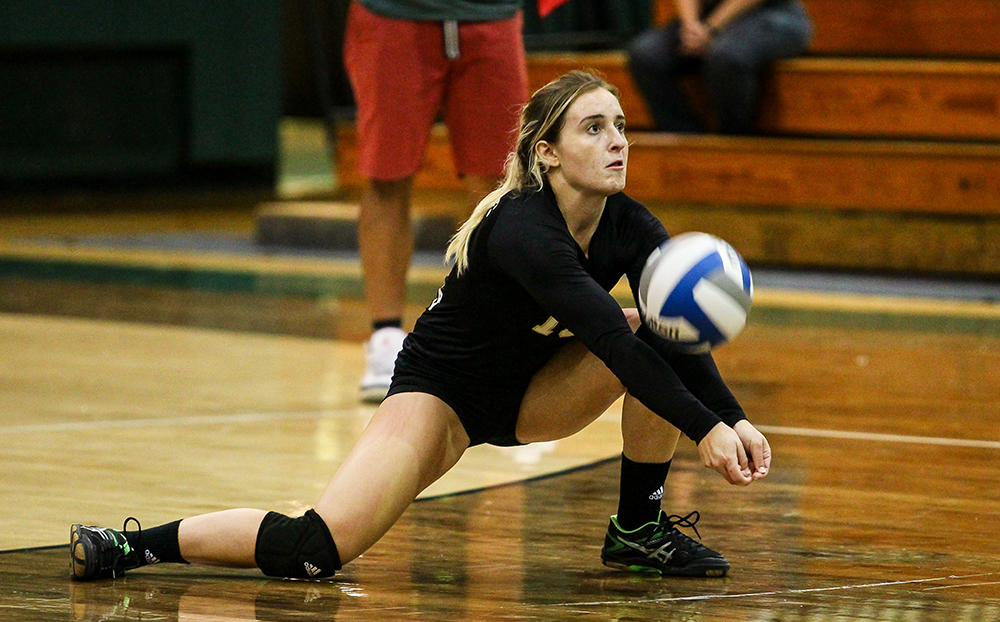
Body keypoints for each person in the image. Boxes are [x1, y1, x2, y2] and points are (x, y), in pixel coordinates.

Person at [69, 71, 771, 583]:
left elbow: (675, 334)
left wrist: (732, 415)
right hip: (443, 394)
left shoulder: (630, 225)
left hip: (531, 393)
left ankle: (639, 530)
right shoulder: (522, 228)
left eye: (621, 126)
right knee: (313, 549)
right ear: (546, 152)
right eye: (594, 127)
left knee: (655, 329)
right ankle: (135, 546)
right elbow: (608, 342)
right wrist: (707, 429)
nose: (617, 141)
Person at [344, 0, 529, 402]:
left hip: (489, 15)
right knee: (385, 176)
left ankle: (489, 334)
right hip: (393, 14)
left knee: (500, 184)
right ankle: (386, 336)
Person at [627, 0, 812, 134]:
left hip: (771, 14)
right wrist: (691, 26)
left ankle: (733, 141)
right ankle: (687, 139)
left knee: (726, 56)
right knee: (645, 55)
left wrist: (710, 29)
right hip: (706, 15)